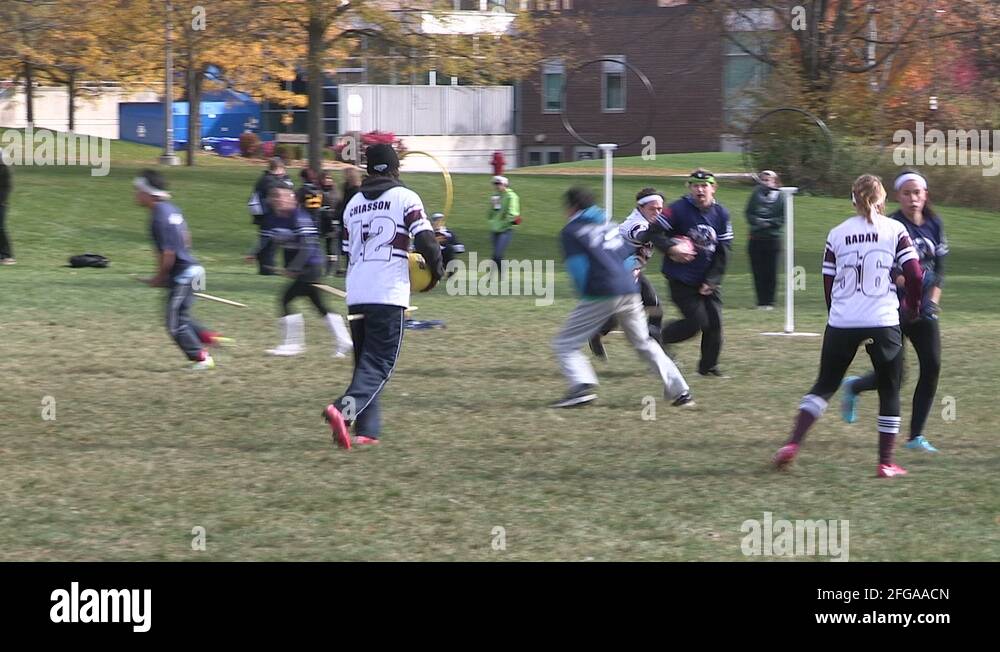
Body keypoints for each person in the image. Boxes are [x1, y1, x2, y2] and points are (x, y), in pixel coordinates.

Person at [773, 174, 924, 478]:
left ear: (853, 200)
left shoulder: (837, 233)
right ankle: (885, 462)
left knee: (825, 384)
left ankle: (792, 443)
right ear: (882, 200)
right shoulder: (895, 229)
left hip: (843, 320)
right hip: (882, 319)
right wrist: (912, 305)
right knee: (890, 388)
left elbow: (828, 280)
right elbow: (915, 275)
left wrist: (836, 312)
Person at [323, 144, 445, 449]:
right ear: (395, 169)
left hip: (356, 292)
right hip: (386, 293)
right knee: (379, 364)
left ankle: (368, 431)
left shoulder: (352, 205)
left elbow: (348, 253)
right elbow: (427, 242)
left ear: (368, 169)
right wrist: (436, 273)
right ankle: (342, 410)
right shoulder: (406, 197)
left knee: (365, 363)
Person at [550, 187, 693, 409]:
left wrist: (586, 295)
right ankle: (681, 392)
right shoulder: (606, 223)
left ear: (571, 208)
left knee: (565, 344)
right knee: (643, 342)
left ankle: (581, 387)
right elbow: (622, 254)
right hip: (629, 286)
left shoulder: (571, 231)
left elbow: (578, 268)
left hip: (603, 289)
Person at [840, 171, 947, 453]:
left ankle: (915, 437)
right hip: (893, 311)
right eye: (907, 193)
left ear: (925, 195)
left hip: (924, 310)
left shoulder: (935, 224)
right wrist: (909, 282)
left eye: (918, 192)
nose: (913, 198)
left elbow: (940, 270)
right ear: (898, 196)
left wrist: (932, 300)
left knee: (932, 366)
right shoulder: (891, 225)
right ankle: (855, 387)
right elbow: (887, 268)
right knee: (895, 377)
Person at [134, 169, 227, 370]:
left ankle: (202, 358)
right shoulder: (171, 209)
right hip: (195, 270)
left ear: (148, 192)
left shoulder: (157, 217)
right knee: (181, 315)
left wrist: (159, 277)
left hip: (185, 274)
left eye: (138, 190)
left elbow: (168, 254)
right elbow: (186, 238)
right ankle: (208, 337)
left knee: (173, 322)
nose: (135, 194)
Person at [654, 169, 733, 377]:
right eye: (695, 186)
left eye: (704, 186)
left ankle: (708, 368)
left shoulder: (721, 214)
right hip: (681, 278)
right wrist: (671, 248)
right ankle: (657, 338)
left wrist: (713, 279)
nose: (700, 190)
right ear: (689, 188)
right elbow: (652, 234)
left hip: (707, 279)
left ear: (713, 188)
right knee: (696, 322)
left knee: (715, 324)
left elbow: (724, 250)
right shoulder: (677, 210)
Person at [257, 187, 352, 358]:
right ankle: (344, 341)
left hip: (311, 266)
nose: (278, 202)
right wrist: (256, 254)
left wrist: (294, 268)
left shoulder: (299, 217)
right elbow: (269, 240)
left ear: (291, 200)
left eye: (282, 198)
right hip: (301, 269)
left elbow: (307, 246)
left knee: (286, 299)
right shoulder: (276, 219)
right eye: (275, 199)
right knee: (319, 305)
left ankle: (293, 345)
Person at [588, 187, 667, 361]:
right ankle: (595, 333)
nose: (657, 212)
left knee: (655, 309)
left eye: (660, 209)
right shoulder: (635, 224)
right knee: (619, 315)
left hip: (631, 273)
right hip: (617, 275)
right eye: (652, 209)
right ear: (641, 208)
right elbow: (642, 235)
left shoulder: (652, 223)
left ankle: (658, 352)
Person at [745, 170, 784, 309]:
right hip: (756, 238)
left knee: (771, 271)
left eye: (768, 180)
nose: (765, 182)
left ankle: (770, 301)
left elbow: (782, 217)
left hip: (772, 239)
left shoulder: (781, 196)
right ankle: (761, 302)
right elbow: (749, 212)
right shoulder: (755, 194)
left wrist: (770, 223)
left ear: (775, 181)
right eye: (763, 179)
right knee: (758, 272)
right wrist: (757, 222)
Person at [251, 157, 294, 275]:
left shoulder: (266, 179)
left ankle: (267, 266)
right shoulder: (269, 181)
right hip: (270, 216)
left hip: (269, 216)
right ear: (279, 168)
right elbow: (281, 193)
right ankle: (267, 268)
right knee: (270, 243)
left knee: (270, 242)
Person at [486, 175, 520, 272]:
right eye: (495, 184)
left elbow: (513, 213)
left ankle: (493, 275)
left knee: (497, 254)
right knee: (497, 255)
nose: (496, 186)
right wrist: (492, 209)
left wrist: (507, 221)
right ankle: (498, 275)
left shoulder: (511, 196)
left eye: (498, 184)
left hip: (505, 230)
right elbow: (492, 213)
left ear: (505, 184)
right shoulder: (496, 196)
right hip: (495, 229)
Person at [333, 167, 362, 276]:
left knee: (351, 245)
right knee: (344, 245)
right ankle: (346, 267)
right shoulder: (345, 187)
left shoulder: (356, 190)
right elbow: (342, 203)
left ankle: (352, 267)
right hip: (343, 219)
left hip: (352, 221)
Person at [319, 172, 340, 274]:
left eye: (329, 178)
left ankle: (331, 269)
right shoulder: (318, 190)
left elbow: (338, 204)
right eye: (326, 178)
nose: (328, 180)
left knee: (331, 247)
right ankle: (320, 267)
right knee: (320, 246)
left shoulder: (335, 191)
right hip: (320, 222)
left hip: (332, 223)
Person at [0, 159, 14, 265]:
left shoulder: (4, 169)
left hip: (1, 203)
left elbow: (7, 187)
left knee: (0, 228)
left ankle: (7, 255)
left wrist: (2, 200)